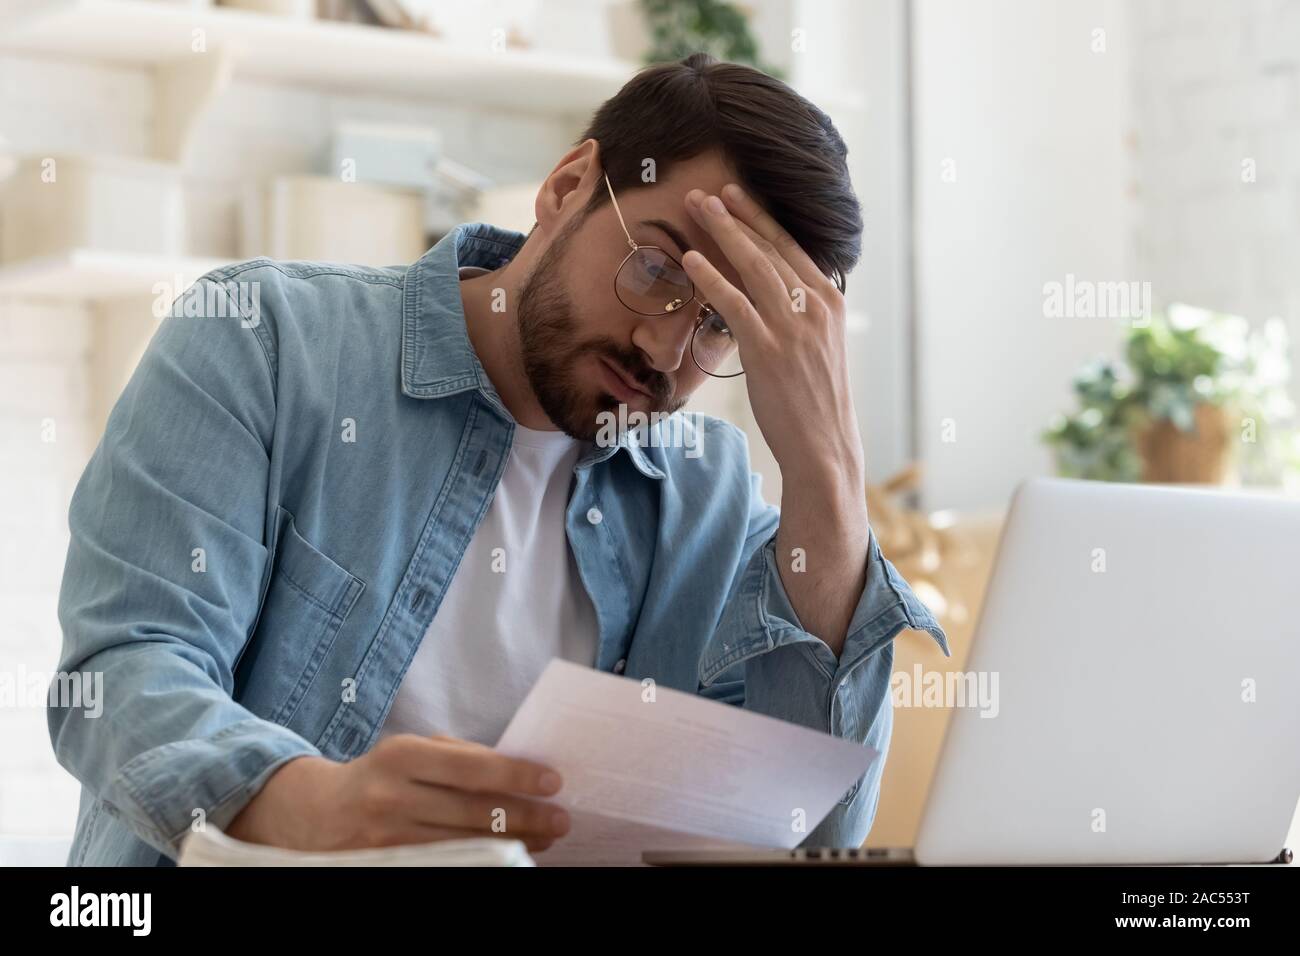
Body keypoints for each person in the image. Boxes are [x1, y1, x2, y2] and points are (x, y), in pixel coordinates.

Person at [51, 52, 946, 866]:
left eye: (720, 321)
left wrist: (827, 473)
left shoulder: (704, 489)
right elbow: (123, 668)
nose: (664, 347)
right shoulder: (267, 343)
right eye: (662, 270)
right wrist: (312, 804)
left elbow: (815, 836)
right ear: (568, 186)